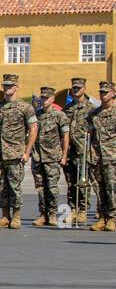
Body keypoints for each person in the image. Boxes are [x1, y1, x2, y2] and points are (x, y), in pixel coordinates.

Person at [0, 74, 36, 230]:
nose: (7, 88)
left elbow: (33, 129)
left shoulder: (25, 108)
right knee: (1, 186)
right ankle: (4, 216)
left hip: (15, 153)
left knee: (15, 186)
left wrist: (27, 152)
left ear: (16, 87)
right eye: (5, 85)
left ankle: (16, 216)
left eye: (10, 85)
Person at [31, 87, 69, 227]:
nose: (44, 100)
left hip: (52, 157)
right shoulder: (36, 115)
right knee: (40, 187)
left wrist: (64, 155)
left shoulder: (59, 115)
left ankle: (52, 214)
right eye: (42, 97)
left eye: (47, 98)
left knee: (52, 187)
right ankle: (43, 214)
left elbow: (65, 136)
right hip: (38, 157)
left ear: (52, 99)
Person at [62, 77, 96, 226]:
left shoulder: (91, 109)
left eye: (79, 88)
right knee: (71, 183)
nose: (76, 90)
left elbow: (95, 132)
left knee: (83, 182)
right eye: (74, 88)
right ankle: (73, 209)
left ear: (84, 89)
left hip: (84, 151)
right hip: (69, 151)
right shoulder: (67, 109)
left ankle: (83, 210)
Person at [89, 80, 116, 232]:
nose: (102, 95)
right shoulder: (94, 114)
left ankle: (112, 218)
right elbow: (89, 135)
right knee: (99, 189)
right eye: (101, 92)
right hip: (96, 157)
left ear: (113, 94)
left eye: (105, 92)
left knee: (112, 188)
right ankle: (102, 217)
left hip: (112, 157)